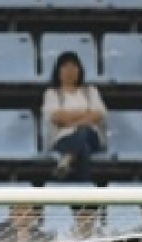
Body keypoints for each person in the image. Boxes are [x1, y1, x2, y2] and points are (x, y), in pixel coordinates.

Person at [42, 52, 107, 182]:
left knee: (84, 130)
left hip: (92, 136)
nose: (70, 71)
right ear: (58, 71)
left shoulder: (91, 91)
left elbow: (99, 114)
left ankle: (67, 159)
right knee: (84, 149)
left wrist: (71, 121)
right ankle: (83, 196)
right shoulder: (52, 93)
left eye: (74, 67)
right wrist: (84, 112)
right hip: (63, 139)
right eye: (65, 67)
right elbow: (57, 117)